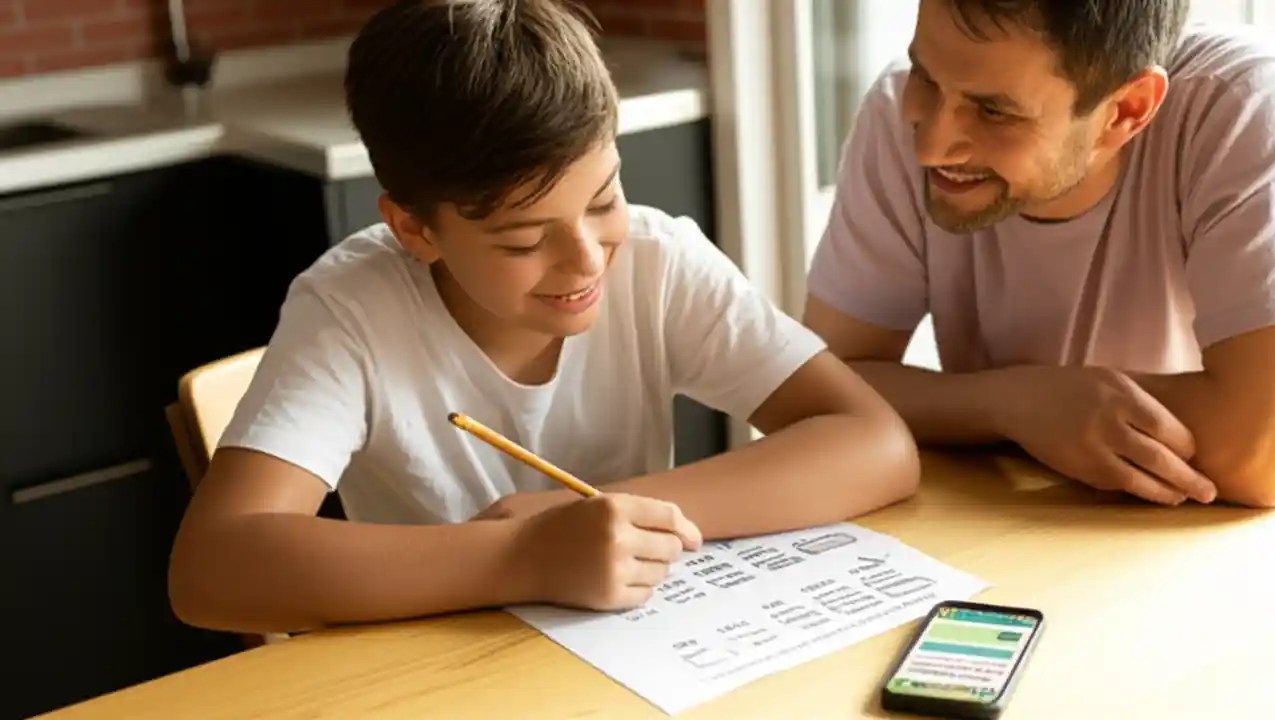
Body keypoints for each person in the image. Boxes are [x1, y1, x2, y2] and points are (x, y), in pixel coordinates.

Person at [168, 0, 919, 636]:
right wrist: (523, 555)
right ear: (416, 230)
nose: (587, 260)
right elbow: (213, 571)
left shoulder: (656, 261)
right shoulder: (351, 310)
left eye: (604, 200)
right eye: (524, 241)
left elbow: (876, 444)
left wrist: (602, 518)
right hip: (438, 670)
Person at [805, 0, 1275, 509]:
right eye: (924, 76)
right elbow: (814, 393)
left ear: (1126, 111)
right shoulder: (898, 111)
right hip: (999, 519)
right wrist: (1011, 404)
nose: (929, 147)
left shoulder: (1243, 108)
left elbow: (1262, 455)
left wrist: (983, 409)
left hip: (1188, 537)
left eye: (994, 111)